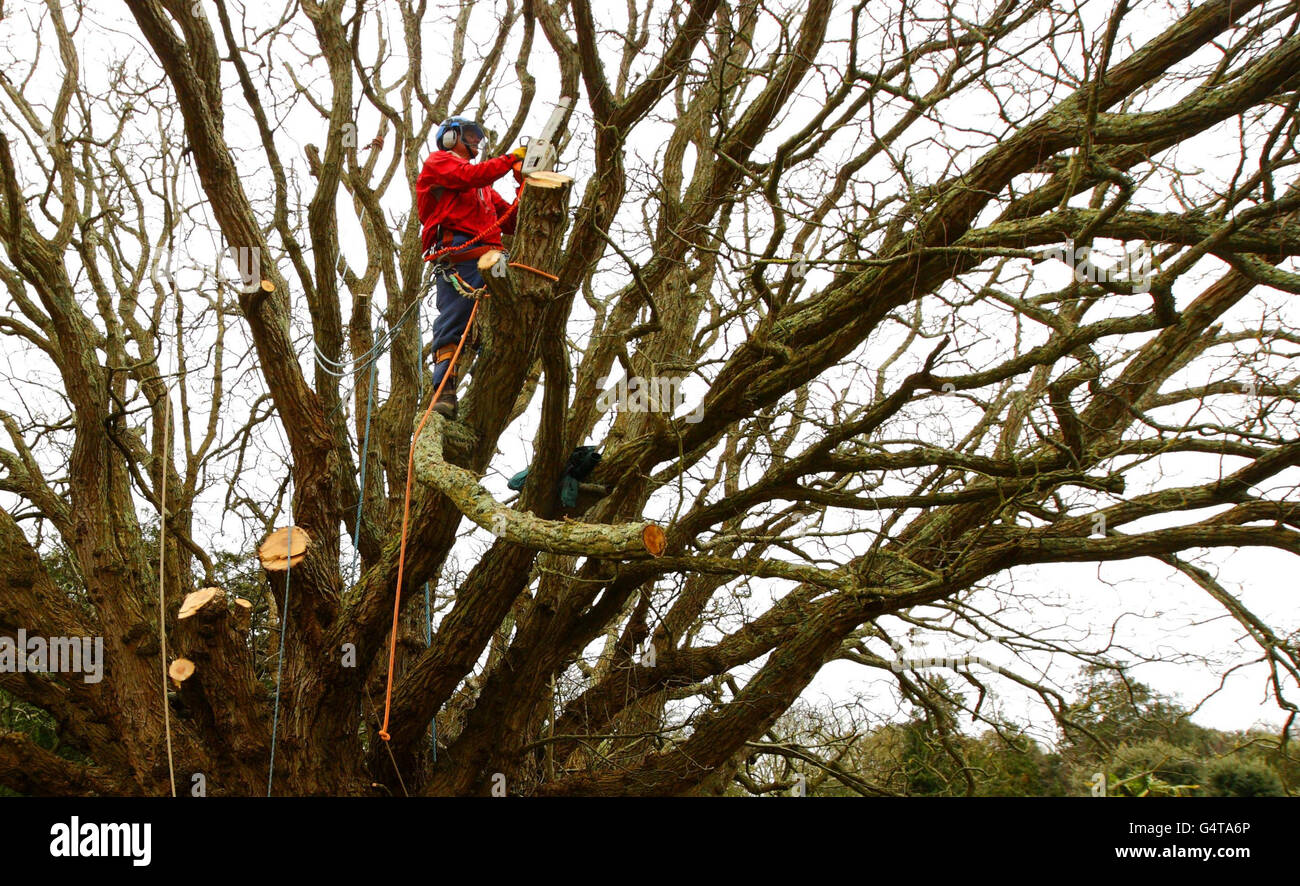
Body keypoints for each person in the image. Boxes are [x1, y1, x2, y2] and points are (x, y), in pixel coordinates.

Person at [416, 116, 527, 418]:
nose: (477, 141)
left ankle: (488, 367)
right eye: (470, 135)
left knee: (509, 315)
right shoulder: (440, 163)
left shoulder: (485, 191)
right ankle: (443, 390)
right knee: (454, 320)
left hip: (493, 260)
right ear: (451, 137)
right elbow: (469, 176)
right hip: (460, 256)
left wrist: (524, 183)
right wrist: (509, 159)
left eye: (478, 136)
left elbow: (515, 221)